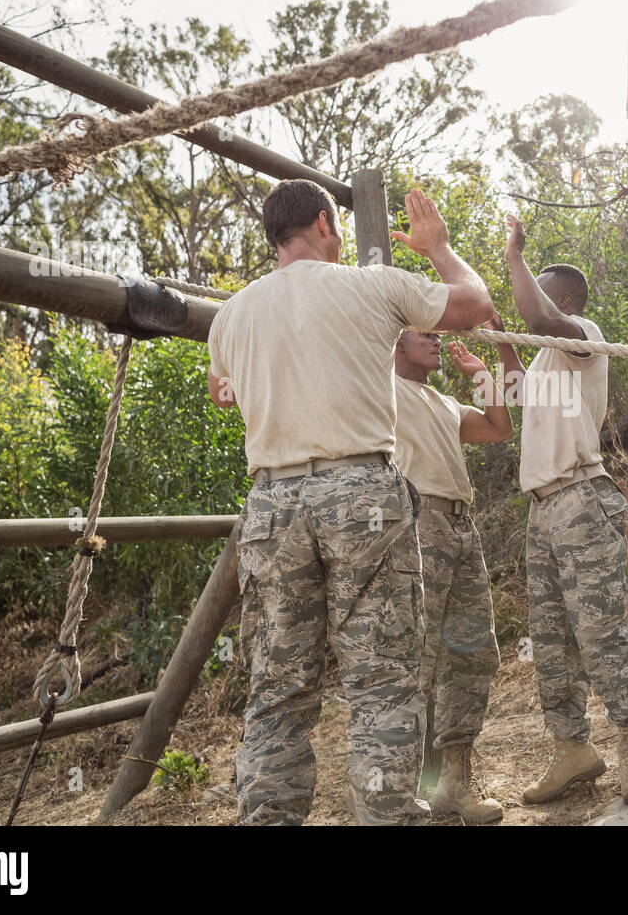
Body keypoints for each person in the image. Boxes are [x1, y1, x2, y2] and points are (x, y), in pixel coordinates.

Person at [206, 180, 493, 825]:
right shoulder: (372, 284)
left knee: (278, 691)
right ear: (323, 223)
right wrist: (439, 249)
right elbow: (476, 305)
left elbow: (219, 386)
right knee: (382, 680)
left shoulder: (233, 314)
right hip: (361, 492)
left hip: (272, 500)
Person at [501, 214, 628, 806]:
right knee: (550, 639)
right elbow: (518, 395)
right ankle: (573, 749)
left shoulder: (582, 335)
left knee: (599, 630)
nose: (528, 301)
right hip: (542, 510)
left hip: (581, 500)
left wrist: (515, 257)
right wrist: (502, 345)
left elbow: (538, 316)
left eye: (537, 288)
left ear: (563, 299)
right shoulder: (548, 359)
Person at [392, 319, 520, 823]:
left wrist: (482, 376)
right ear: (394, 339)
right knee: (416, 658)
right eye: (423, 332)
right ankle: (399, 794)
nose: (437, 339)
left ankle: (455, 784)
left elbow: (499, 428)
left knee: (472, 653)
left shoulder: (442, 403)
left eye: (437, 333)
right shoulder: (381, 387)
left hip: (462, 527)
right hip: (417, 523)